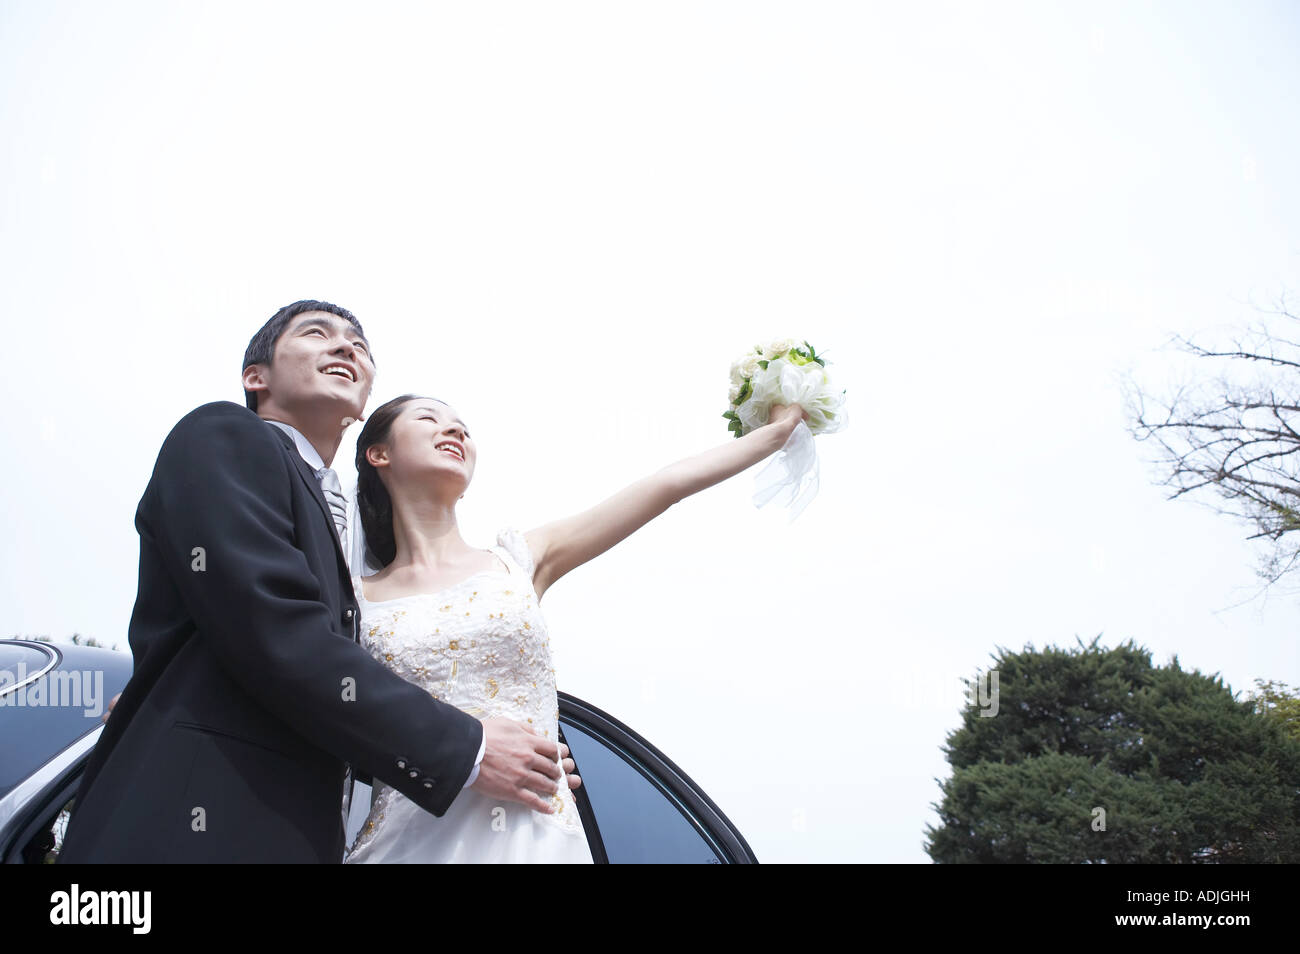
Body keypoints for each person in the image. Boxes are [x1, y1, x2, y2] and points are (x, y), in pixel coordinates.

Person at [58, 301, 577, 863]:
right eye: (317, 333)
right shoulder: (225, 436)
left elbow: (328, 689)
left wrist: (530, 747)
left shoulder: (343, 534)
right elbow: (272, 627)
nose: (346, 347)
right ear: (256, 378)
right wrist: (467, 748)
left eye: (359, 344)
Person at [342, 392, 809, 863]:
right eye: (429, 418)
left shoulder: (519, 561)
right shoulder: (352, 599)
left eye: (463, 426)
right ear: (378, 454)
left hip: (532, 837)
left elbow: (666, 485)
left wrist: (773, 435)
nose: (456, 431)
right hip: (405, 841)